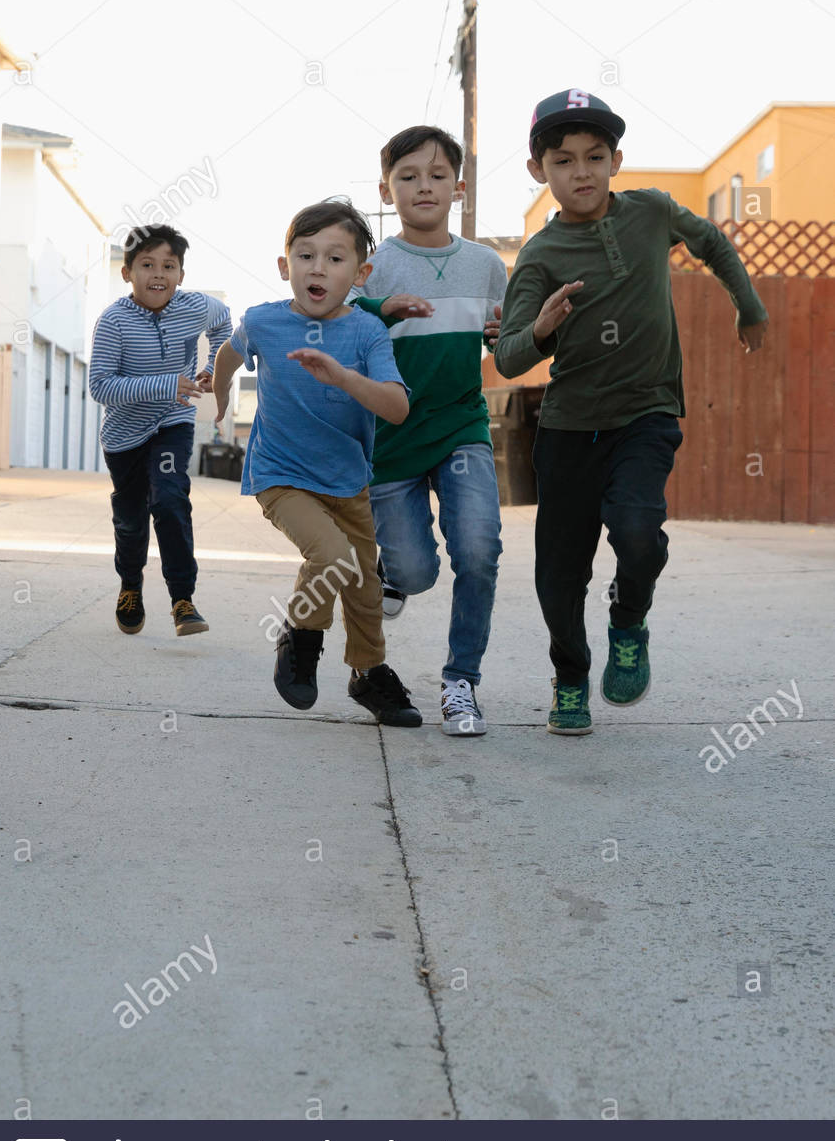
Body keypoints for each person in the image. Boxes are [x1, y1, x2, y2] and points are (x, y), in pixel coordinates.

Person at [495, 89, 769, 735]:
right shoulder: (538, 255)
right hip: (567, 429)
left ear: (617, 159)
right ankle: (569, 676)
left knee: (638, 531)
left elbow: (713, 245)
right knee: (560, 575)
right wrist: (542, 326)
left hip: (646, 414)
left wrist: (749, 306)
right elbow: (508, 357)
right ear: (541, 171)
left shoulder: (650, 212)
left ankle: (628, 618)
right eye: (564, 160)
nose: (581, 171)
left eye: (595, 156)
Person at [212, 198, 430, 727]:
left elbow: (397, 408)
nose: (318, 268)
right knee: (332, 557)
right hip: (282, 476)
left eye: (335, 258)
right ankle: (301, 637)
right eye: (305, 255)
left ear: (361, 273)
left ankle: (368, 673)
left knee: (364, 588)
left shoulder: (366, 333)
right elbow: (227, 355)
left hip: (349, 481)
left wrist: (343, 378)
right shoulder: (263, 322)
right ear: (285, 267)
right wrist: (219, 399)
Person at [353, 125, 506, 737]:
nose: (423, 187)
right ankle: (395, 575)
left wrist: (503, 335)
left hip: (461, 427)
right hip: (392, 440)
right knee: (416, 573)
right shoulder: (374, 267)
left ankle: (461, 681)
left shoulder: (486, 265)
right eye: (408, 176)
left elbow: (501, 333)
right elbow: (333, 314)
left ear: (459, 187)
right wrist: (376, 308)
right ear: (386, 189)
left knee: (478, 547)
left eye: (437, 175)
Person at [89, 223, 231, 637]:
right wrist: (167, 383)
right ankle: (130, 583)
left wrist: (210, 368)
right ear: (127, 272)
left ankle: (182, 600)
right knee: (131, 520)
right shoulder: (113, 322)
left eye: (169, 265)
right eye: (147, 264)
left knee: (169, 500)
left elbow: (224, 325)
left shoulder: (194, 306)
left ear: (181, 275)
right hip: (124, 437)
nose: (158, 274)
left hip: (173, 422)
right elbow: (101, 386)